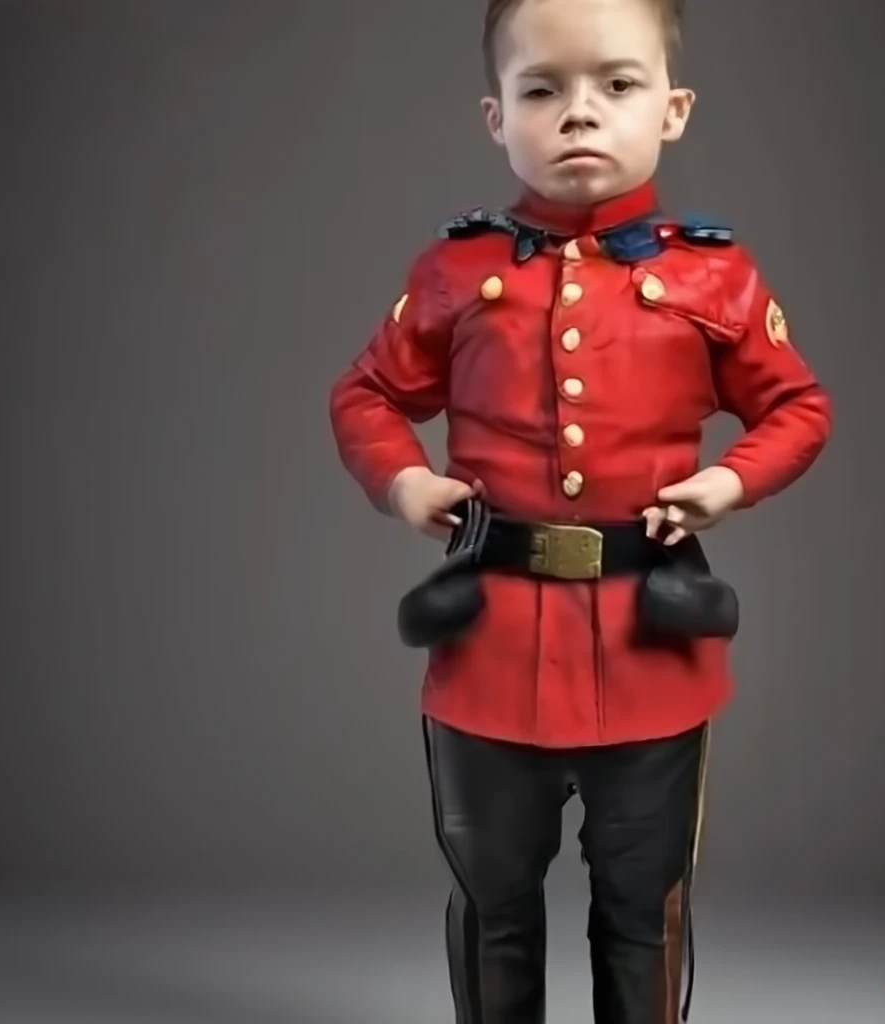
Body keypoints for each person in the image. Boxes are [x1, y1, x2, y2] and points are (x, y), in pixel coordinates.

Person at [328, 0, 832, 1021]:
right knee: (492, 903)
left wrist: (729, 480)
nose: (578, 114)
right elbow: (366, 394)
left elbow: (797, 406)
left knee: (641, 908)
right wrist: (405, 482)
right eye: (541, 90)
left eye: (616, 84)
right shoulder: (455, 275)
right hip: (489, 651)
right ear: (494, 117)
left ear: (674, 108)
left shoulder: (712, 276)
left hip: (650, 649)